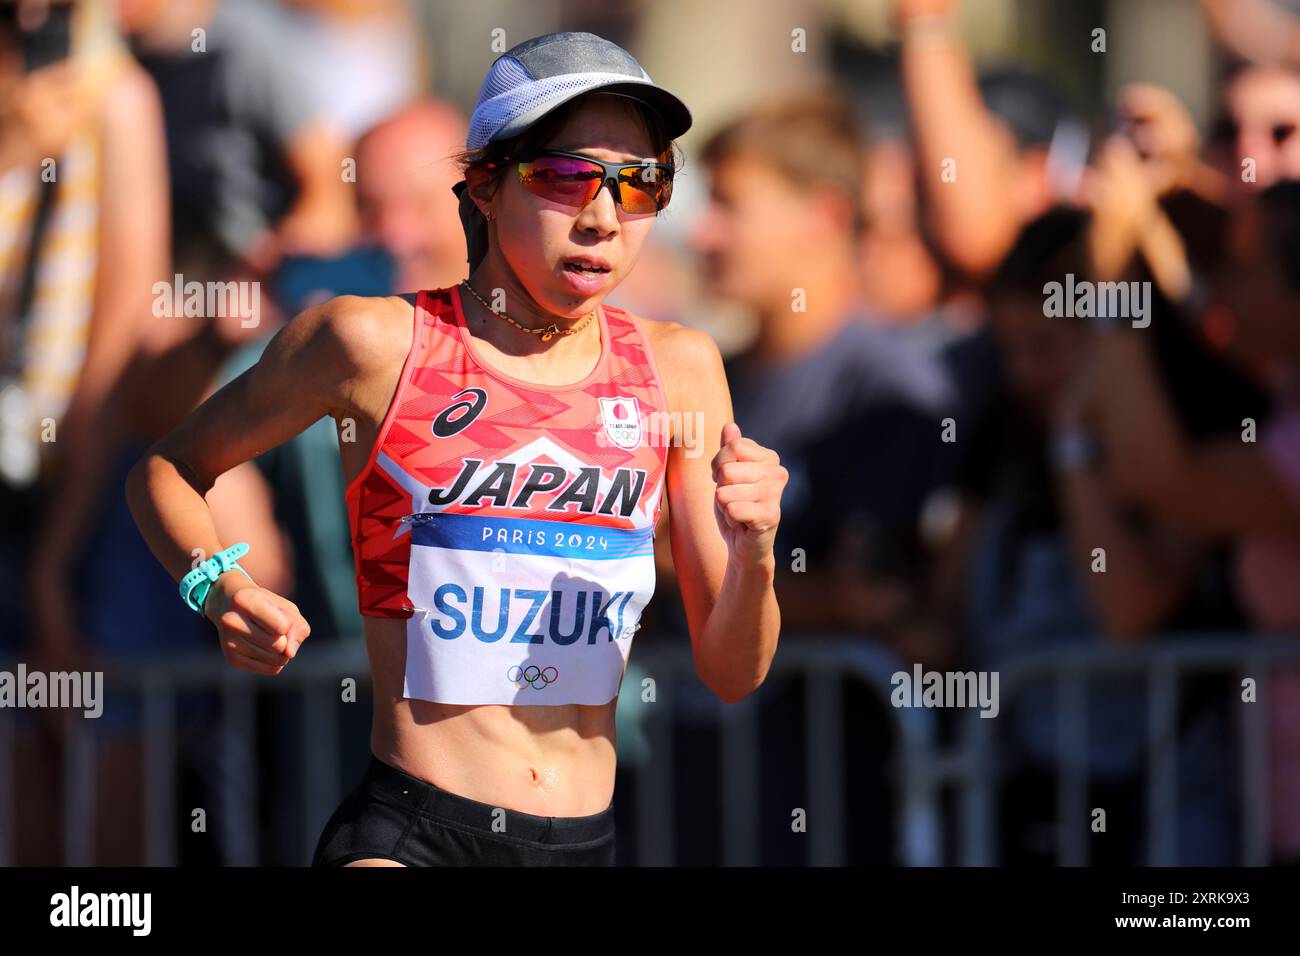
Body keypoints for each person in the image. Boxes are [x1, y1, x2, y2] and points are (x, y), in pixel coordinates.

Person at [126, 30, 786, 867]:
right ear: (482, 182)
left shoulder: (680, 367)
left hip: (588, 839)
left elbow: (733, 673)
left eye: (639, 183)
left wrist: (757, 551)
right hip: (412, 835)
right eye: (564, 175)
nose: (602, 215)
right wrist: (217, 587)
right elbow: (167, 467)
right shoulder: (370, 342)